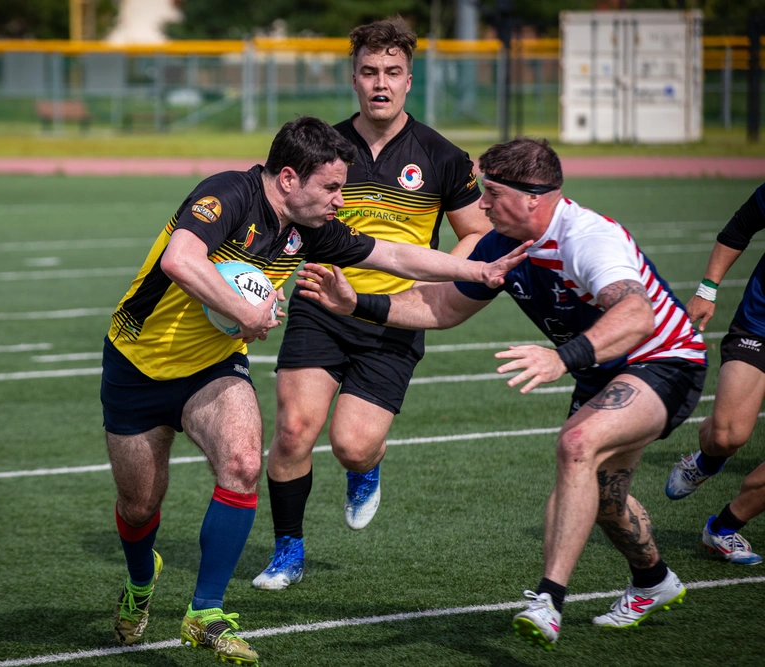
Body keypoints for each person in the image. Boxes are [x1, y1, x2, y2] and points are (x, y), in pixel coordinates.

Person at [103, 116, 527, 665]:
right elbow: (180, 260)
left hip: (213, 368)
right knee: (140, 507)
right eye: (330, 187)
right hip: (136, 365)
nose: (340, 200)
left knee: (242, 463)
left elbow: (394, 254)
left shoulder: (309, 228)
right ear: (288, 179)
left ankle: (204, 613)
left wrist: (477, 271)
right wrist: (244, 311)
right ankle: (141, 581)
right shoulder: (227, 194)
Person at [293, 137, 708, 649]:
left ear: (533, 197)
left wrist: (561, 358)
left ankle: (548, 600)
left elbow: (637, 315)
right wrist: (356, 303)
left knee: (577, 444)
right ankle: (653, 579)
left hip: (663, 359)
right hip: (602, 371)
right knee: (604, 496)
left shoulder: (586, 237)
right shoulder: (501, 244)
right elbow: (441, 307)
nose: (481, 205)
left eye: (491, 193)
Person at [253, 16, 492, 591]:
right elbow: (280, 215)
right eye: (368, 71)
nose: (380, 82)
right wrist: (261, 282)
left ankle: (367, 466)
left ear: (410, 79)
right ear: (353, 77)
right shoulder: (323, 150)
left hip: (394, 316)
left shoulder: (443, 156)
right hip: (320, 301)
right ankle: (288, 550)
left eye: (392, 71)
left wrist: (434, 292)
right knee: (293, 430)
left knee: (353, 446)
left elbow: (479, 234)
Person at [663, 183, 765, 566]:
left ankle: (723, 527)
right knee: (727, 435)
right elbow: (739, 228)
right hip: (760, 326)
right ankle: (707, 460)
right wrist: (707, 289)